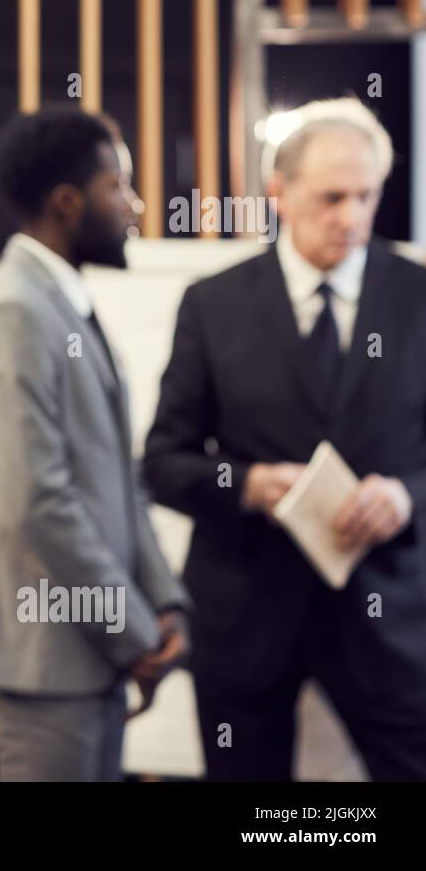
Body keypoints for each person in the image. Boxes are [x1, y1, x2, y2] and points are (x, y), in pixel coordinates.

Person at [144, 97, 426, 780]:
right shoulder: (213, 304)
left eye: (366, 196)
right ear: (279, 193)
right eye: (332, 197)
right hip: (246, 618)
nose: (352, 217)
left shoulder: (419, 296)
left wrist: (408, 497)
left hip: (393, 620)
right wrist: (243, 486)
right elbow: (162, 462)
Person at [0, 108, 190, 781]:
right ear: (67, 201)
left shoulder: (60, 303)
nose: (137, 206)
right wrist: (136, 629)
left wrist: (162, 604)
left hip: (93, 650)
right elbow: (38, 501)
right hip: (48, 661)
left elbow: (120, 482)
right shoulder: (12, 312)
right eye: (120, 186)